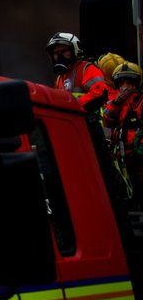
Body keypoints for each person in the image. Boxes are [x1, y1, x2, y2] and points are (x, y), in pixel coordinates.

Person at [46, 32, 111, 112]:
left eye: (64, 51)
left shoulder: (86, 69)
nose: (59, 56)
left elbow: (100, 92)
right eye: (56, 53)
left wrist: (72, 105)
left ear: (75, 50)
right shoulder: (59, 79)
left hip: (90, 121)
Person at [105, 62, 143, 190]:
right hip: (121, 157)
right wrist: (116, 103)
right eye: (121, 83)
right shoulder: (116, 102)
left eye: (129, 82)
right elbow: (107, 121)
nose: (125, 87)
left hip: (139, 155)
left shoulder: (140, 101)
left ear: (136, 84)